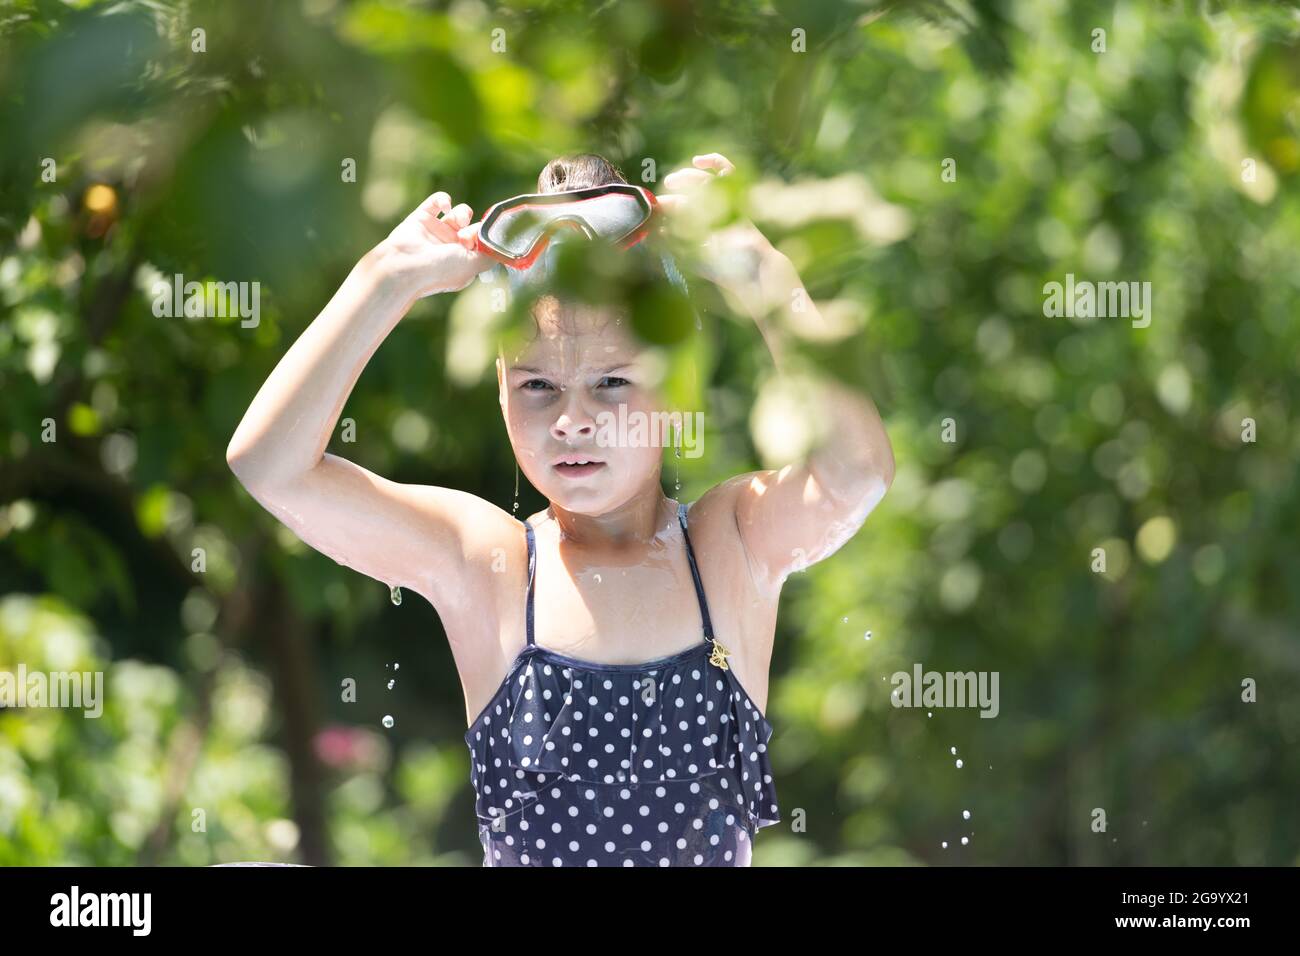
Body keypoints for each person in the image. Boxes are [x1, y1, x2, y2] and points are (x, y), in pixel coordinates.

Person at [225, 151, 895, 866]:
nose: (573, 420)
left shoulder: (729, 546)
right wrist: (386, 280)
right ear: (500, 387)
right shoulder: (491, 564)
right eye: (538, 385)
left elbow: (857, 473)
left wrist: (765, 276)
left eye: (611, 382)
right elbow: (272, 468)